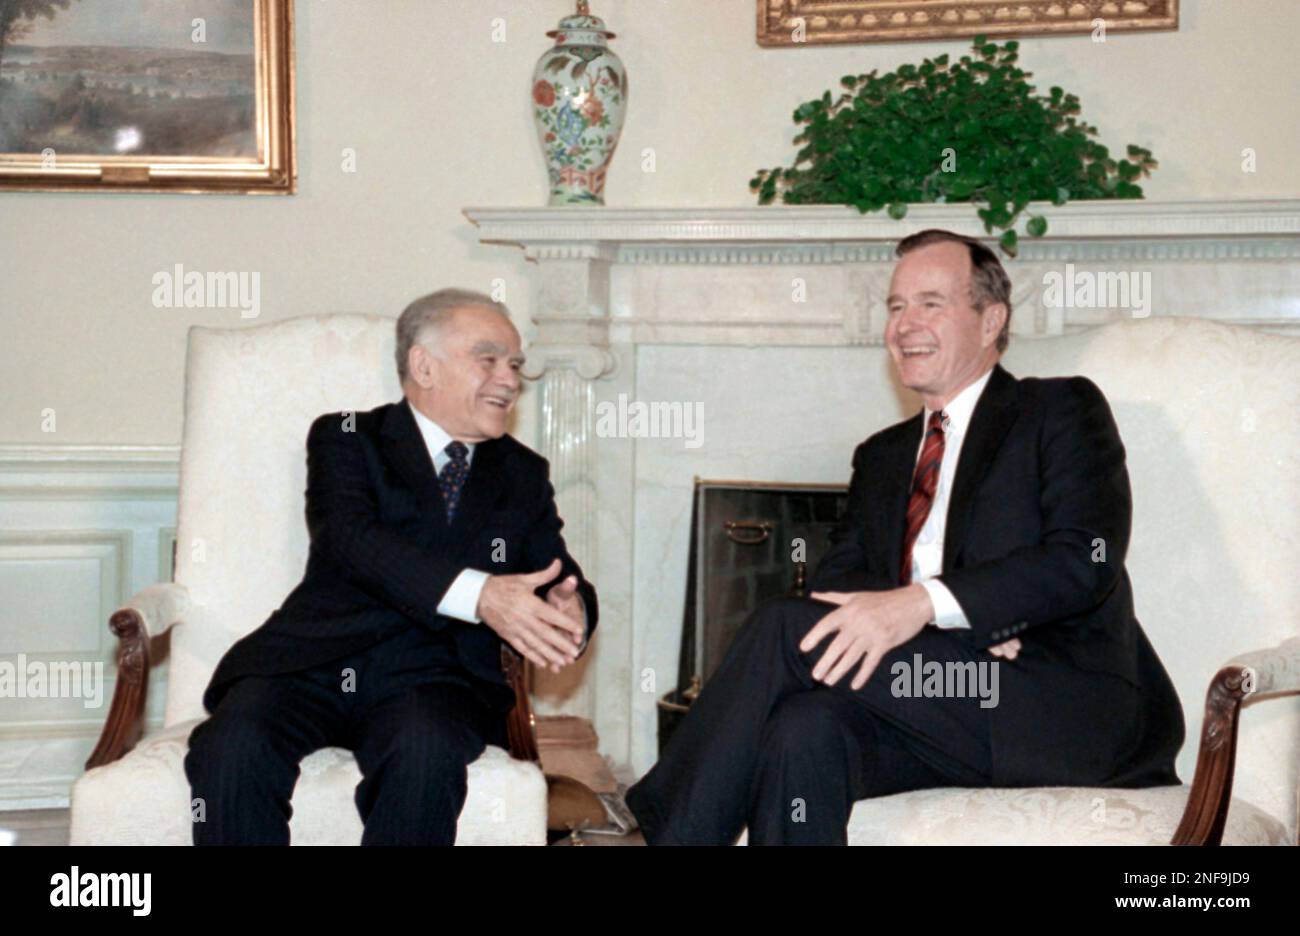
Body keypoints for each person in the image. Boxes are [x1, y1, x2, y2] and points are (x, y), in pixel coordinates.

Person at [625, 229, 1184, 845]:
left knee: (787, 629)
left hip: (1054, 702)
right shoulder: (883, 456)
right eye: (895, 307)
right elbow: (842, 584)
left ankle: (666, 835)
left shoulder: (1057, 410)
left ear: (991, 319)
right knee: (802, 725)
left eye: (930, 303)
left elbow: (1086, 560)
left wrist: (934, 606)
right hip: (932, 695)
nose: (904, 323)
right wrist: (939, 626)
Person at [185, 288, 597, 845]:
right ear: (423, 366)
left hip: (434, 678)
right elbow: (350, 539)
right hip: (312, 660)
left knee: (425, 757)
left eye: (516, 364)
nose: (510, 379)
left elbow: (557, 570)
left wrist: (567, 605)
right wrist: (480, 596)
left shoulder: (520, 472)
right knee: (230, 749)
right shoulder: (349, 437)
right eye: (489, 359)